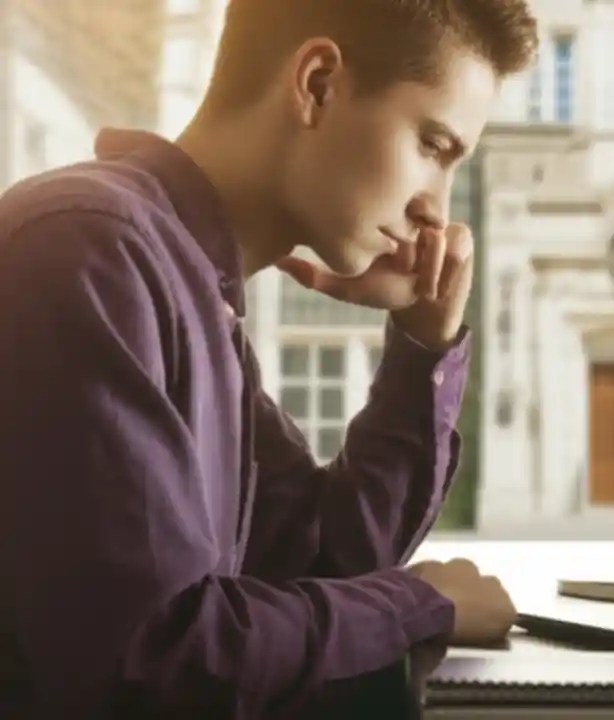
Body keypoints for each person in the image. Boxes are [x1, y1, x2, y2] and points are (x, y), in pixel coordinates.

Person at [0, 0, 538, 717]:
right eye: (433, 147)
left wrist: (422, 345)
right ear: (316, 83)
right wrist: (422, 602)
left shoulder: (189, 285)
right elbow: (152, 660)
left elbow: (335, 563)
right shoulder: (91, 251)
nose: (438, 211)